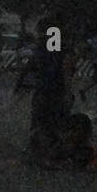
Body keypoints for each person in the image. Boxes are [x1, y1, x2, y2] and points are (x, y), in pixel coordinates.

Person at [26, 16, 73, 163]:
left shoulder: (40, 47)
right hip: (55, 90)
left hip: (42, 90)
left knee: (40, 121)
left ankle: (36, 153)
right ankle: (52, 155)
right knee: (55, 123)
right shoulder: (60, 46)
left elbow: (33, 69)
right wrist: (68, 91)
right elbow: (65, 69)